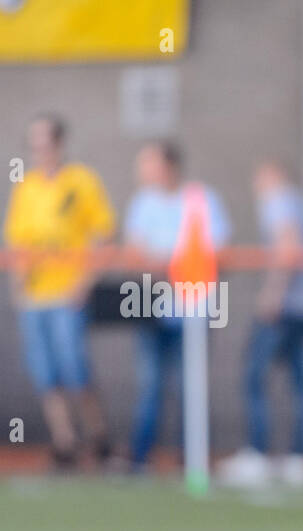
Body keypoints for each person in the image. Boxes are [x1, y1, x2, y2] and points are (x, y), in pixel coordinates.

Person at [2, 114, 116, 469]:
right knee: (45, 373)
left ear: (59, 143)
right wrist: (17, 287)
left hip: (68, 292)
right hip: (36, 296)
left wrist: (84, 281)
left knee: (74, 368)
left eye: (45, 142)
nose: (39, 150)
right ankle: (64, 441)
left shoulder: (82, 181)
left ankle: (98, 438)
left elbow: (104, 234)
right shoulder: (27, 186)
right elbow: (17, 242)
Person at [123, 141, 230, 471]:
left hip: (194, 308)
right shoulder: (143, 203)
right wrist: (172, 264)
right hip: (152, 306)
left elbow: (216, 252)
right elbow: (135, 256)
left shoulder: (200, 198)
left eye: (149, 163)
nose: (142, 171)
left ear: (167, 165)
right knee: (151, 383)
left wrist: (170, 263)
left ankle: (191, 458)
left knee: (191, 385)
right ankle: (140, 459)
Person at [218, 161, 303, 486]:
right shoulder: (302, 203)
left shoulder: (279, 201)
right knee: (299, 381)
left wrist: (274, 293)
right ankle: (298, 457)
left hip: (287, 306)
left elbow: (288, 248)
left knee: (254, 375)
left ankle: (258, 454)